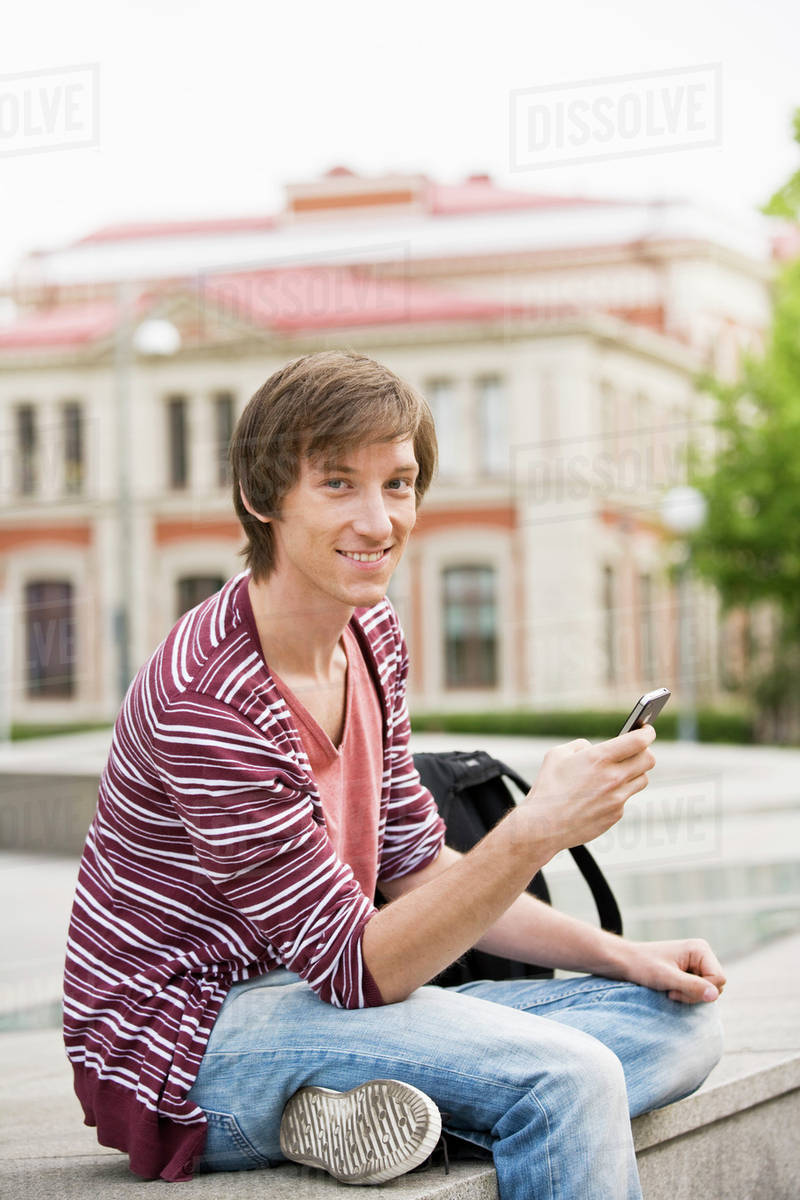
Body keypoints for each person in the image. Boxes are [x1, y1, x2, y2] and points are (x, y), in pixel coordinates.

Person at [63, 350, 725, 1199]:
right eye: (339, 484)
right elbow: (358, 967)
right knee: (569, 1080)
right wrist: (534, 831)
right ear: (262, 498)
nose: (380, 522)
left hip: (331, 1009)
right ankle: (335, 1098)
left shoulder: (369, 636)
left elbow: (417, 869)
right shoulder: (211, 700)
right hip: (194, 1046)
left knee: (680, 1026)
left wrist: (626, 957)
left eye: (400, 484)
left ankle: (358, 1108)